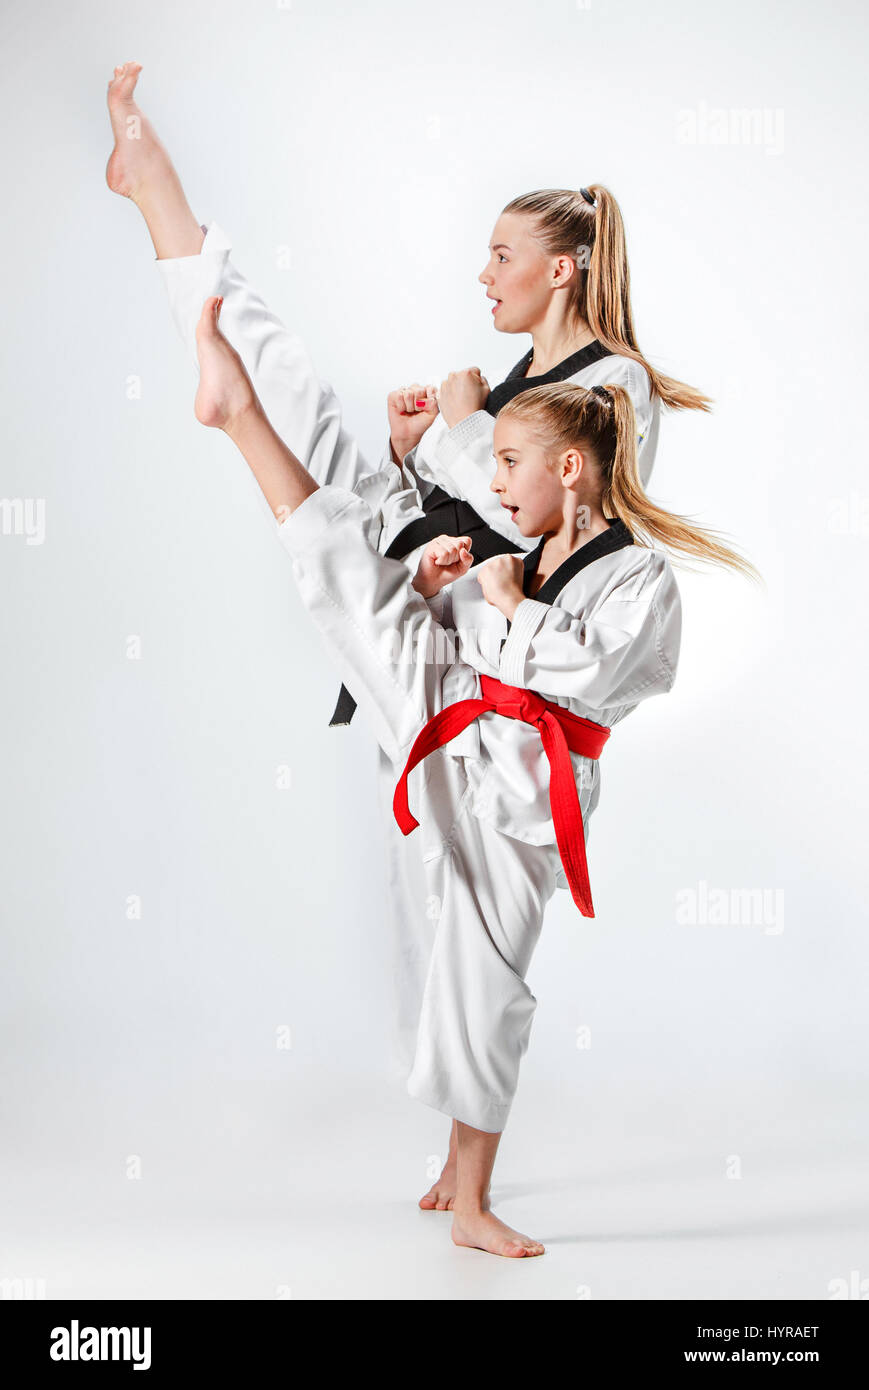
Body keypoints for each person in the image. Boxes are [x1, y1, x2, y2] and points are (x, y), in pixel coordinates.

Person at [185, 289, 758, 1257]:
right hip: (460, 714)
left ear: (569, 471)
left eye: (505, 465)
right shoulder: (525, 550)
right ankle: (241, 414)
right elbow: (464, 605)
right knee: (355, 588)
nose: (492, 486)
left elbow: (586, 671)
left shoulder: (638, 579)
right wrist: (438, 559)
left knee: (484, 977)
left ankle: (467, 1192)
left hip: (526, 789)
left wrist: (505, 602)